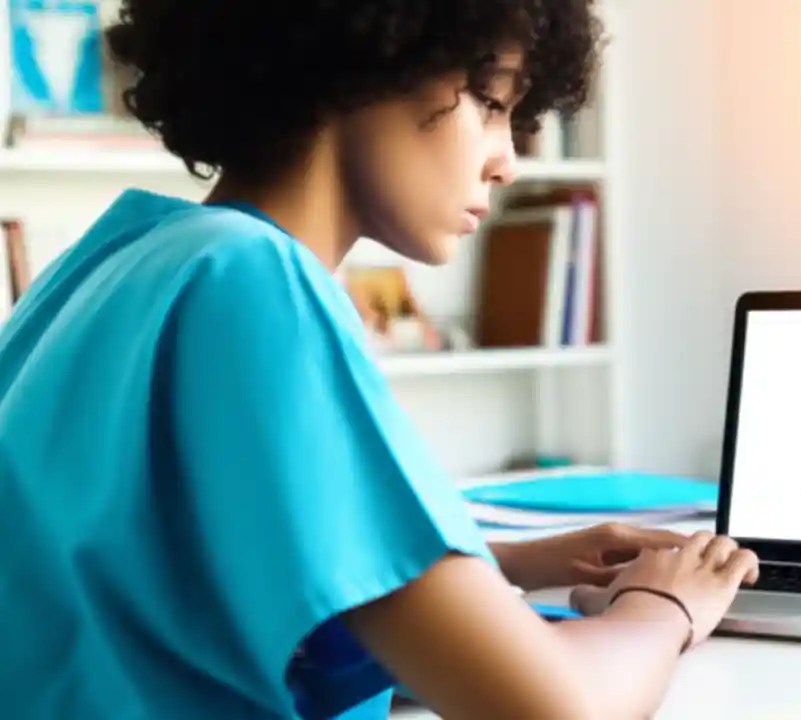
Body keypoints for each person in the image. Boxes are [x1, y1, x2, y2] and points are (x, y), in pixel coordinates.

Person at [0, 1, 759, 718]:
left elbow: (186, 574)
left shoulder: (115, 257)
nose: (508, 164)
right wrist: (665, 607)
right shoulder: (255, 277)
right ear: (369, 60)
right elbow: (559, 707)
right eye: (492, 104)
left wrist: (508, 564)